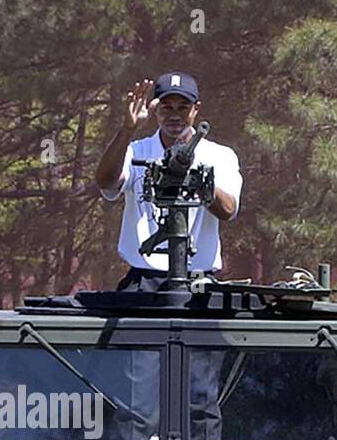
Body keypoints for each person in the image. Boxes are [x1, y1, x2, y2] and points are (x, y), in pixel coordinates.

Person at [96, 72, 243, 292]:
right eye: (166, 107)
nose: (174, 115)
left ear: (196, 109)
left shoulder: (220, 155)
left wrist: (197, 180)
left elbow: (228, 210)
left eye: (183, 107)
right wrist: (128, 129)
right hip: (144, 281)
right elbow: (106, 182)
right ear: (155, 109)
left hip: (198, 282)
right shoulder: (137, 151)